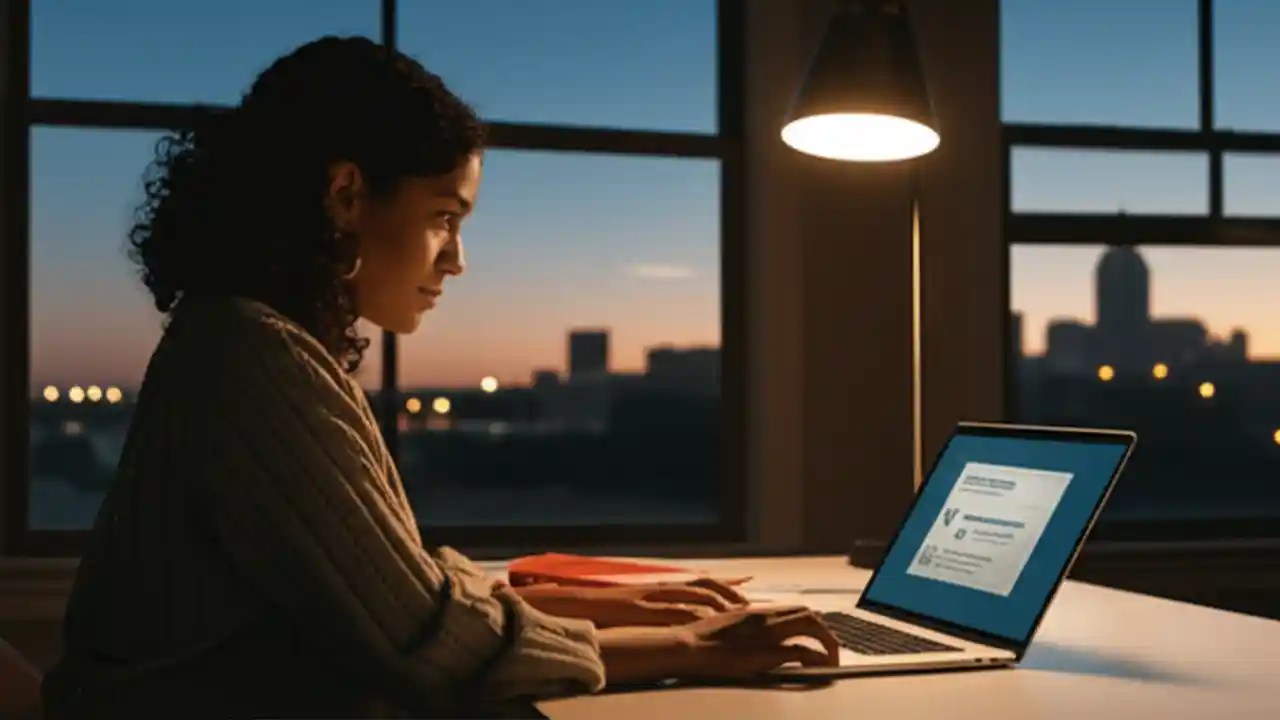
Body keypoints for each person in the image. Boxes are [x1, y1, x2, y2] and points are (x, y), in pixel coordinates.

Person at [41, 36, 840, 718]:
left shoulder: (243, 338)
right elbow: (423, 640)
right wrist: (687, 647)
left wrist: (589, 603)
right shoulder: (251, 358)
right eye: (443, 218)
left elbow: (392, 585)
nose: (456, 260)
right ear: (346, 195)